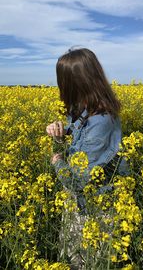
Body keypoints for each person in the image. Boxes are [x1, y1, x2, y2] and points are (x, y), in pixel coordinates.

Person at [46, 46, 129, 269]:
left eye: (62, 81)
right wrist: (60, 133)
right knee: (72, 259)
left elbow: (78, 181)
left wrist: (56, 161)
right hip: (81, 204)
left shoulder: (101, 121)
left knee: (89, 262)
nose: (60, 87)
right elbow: (78, 145)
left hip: (96, 210)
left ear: (76, 83)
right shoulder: (84, 110)